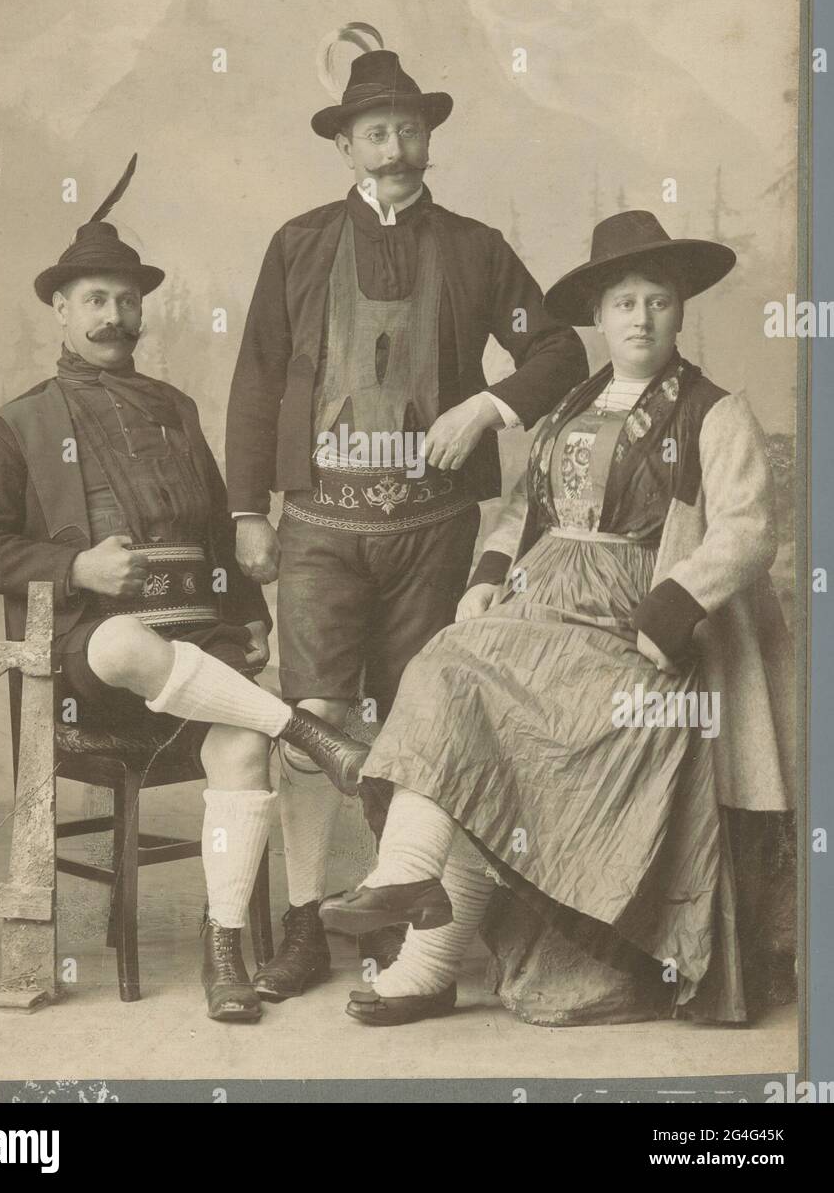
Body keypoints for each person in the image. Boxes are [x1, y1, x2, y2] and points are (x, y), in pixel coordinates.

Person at [321, 208, 795, 1027]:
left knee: (472, 692)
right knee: (446, 665)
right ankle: (411, 892)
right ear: (600, 318)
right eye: (623, 303)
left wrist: (673, 607)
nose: (640, 318)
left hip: (634, 623)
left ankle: (422, 923)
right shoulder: (573, 402)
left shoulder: (712, 411)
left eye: (656, 301)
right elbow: (522, 508)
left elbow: (748, 528)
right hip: (539, 604)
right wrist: (489, 575)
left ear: (680, 310)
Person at [0, 155, 368, 1025]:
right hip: (87, 662)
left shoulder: (177, 408)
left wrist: (249, 618)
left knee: (240, 751)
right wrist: (76, 569)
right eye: (95, 300)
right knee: (118, 643)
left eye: (126, 299)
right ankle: (300, 725)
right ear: (60, 310)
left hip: (198, 647)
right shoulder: (19, 424)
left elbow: (220, 528)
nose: (114, 316)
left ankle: (225, 956)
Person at [225, 49, 588, 1000]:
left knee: (419, 723)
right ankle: (306, 921)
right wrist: (244, 509)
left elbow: (559, 348)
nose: (397, 147)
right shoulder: (297, 243)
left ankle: (401, 917)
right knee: (315, 721)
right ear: (344, 145)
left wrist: (490, 408)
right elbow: (258, 379)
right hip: (317, 525)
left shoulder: (476, 248)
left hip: (434, 527)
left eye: (411, 129)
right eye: (376, 131)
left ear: (430, 140)